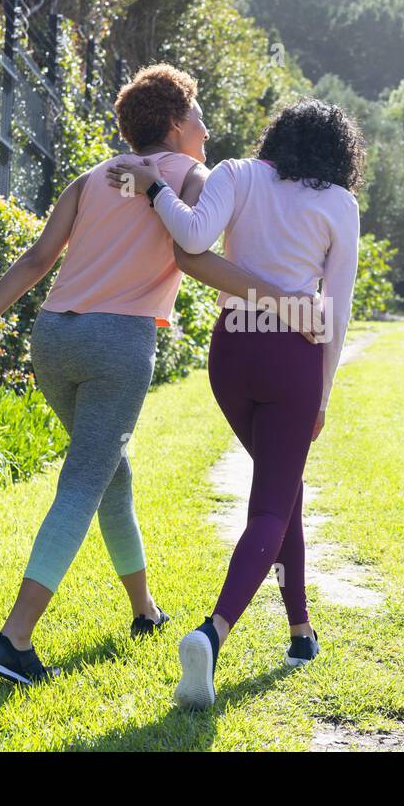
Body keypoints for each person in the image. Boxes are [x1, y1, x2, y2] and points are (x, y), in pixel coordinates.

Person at [0, 64, 308, 686]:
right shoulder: (191, 178)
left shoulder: (92, 179)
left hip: (52, 338)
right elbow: (193, 257)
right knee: (86, 477)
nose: (206, 126)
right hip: (117, 343)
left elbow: (35, 259)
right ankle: (14, 638)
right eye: (196, 113)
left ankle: (144, 610)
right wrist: (280, 297)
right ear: (173, 123)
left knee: (112, 470)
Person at [107, 98, 363, 709]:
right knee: (273, 502)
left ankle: (300, 631)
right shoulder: (338, 203)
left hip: (233, 353)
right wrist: (322, 391)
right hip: (292, 357)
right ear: (339, 151)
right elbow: (338, 309)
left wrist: (152, 189)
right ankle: (212, 633)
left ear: (277, 135)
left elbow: (192, 237)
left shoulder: (236, 173)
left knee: (284, 485)